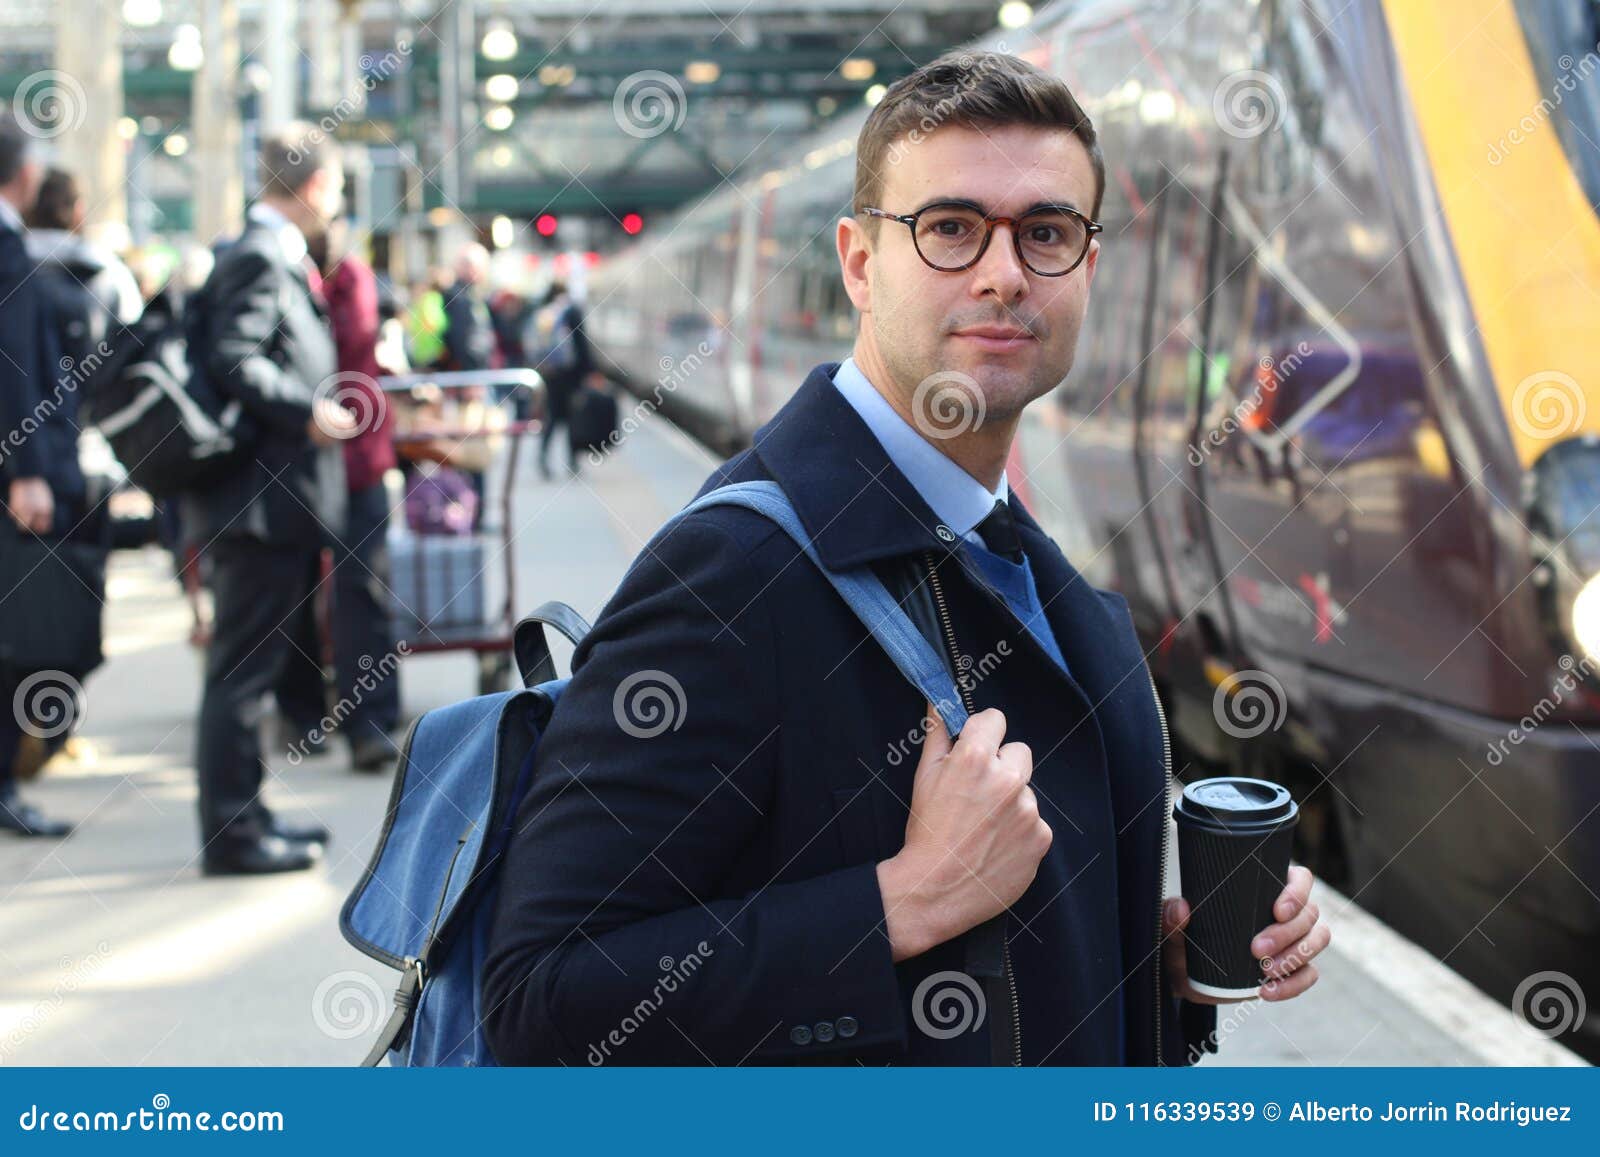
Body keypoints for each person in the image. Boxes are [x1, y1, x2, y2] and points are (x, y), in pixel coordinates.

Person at [481, 51, 1329, 1066]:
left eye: (1047, 232)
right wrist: (902, 901)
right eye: (950, 227)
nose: (1004, 273)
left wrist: (1156, 960)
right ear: (858, 262)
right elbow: (539, 1001)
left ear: (1088, 269)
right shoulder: (731, 572)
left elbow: (1014, 937)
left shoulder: (1017, 552)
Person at [184, 124, 353, 875]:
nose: (338, 201)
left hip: (267, 503)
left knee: (249, 672)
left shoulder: (264, 251)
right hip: (257, 504)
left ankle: (247, 816)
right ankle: (233, 835)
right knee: (241, 676)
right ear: (314, 187)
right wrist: (305, 409)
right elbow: (234, 357)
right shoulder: (259, 254)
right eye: (337, 187)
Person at [0, 115, 72, 838]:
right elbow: (14, 364)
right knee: (17, 635)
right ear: (23, 174)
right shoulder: (7, 247)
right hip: (11, 470)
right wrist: (27, 471)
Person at [314, 218, 401, 773]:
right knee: (318, 593)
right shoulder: (295, 273)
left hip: (355, 460)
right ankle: (313, 712)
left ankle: (369, 721)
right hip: (309, 461)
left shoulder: (350, 281)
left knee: (363, 591)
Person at [527, 279, 593, 479]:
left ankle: (543, 458)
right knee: (573, 418)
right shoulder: (571, 311)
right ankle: (572, 463)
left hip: (550, 375)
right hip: (570, 375)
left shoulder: (542, 312)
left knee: (552, 418)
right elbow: (582, 343)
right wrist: (589, 372)